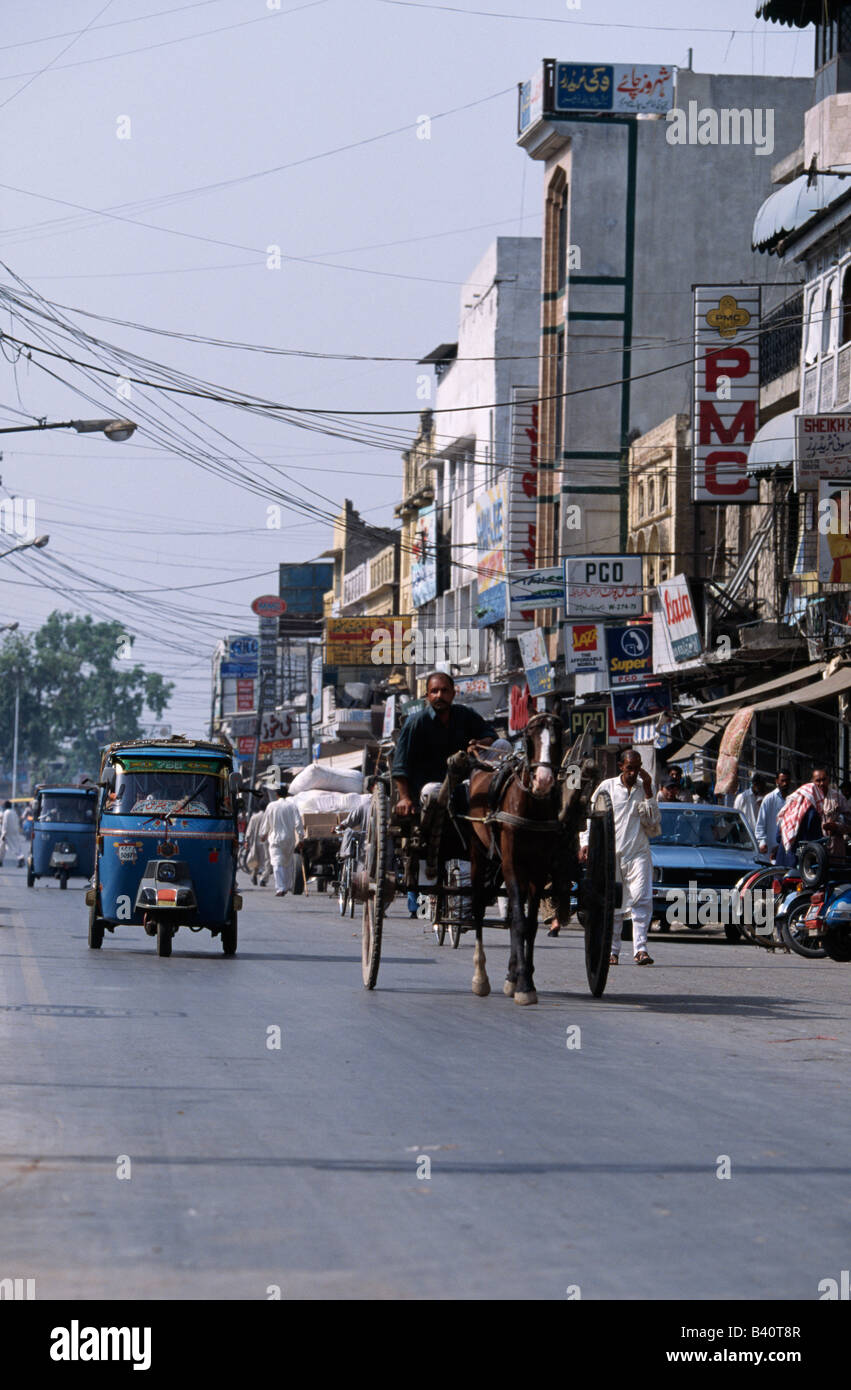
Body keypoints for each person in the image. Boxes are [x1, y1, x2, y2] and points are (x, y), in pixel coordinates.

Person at [580, 749, 661, 965]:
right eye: (629, 768)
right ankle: (612, 951)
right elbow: (591, 818)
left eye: (637, 768)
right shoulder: (607, 788)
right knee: (614, 905)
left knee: (642, 900)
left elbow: (654, 823)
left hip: (638, 853)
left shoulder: (646, 788)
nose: (634, 773)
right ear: (620, 766)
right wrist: (585, 843)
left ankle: (641, 950)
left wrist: (648, 793)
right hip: (611, 854)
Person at [392, 671, 509, 818]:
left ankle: (498, 796)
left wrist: (479, 743)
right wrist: (404, 798)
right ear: (427, 695)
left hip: (466, 783)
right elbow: (399, 766)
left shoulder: (465, 714)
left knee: (503, 744)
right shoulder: (415, 723)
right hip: (432, 788)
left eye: (444, 690)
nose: (439, 696)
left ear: (453, 694)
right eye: (434, 691)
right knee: (431, 791)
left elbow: (491, 735)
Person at [776, 765, 851, 868]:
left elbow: (849, 823)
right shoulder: (806, 800)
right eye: (818, 780)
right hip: (812, 854)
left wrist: (836, 826)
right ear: (812, 781)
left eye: (824, 779)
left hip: (833, 851)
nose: (821, 783)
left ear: (828, 779)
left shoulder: (838, 797)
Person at [260, 787, 305, 897]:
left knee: (277, 863)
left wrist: (263, 834)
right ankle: (286, 886)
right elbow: (298, 823)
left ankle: (280, 888)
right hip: (289, 839)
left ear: (277, 795)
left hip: (275, 839)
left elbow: (266, 822)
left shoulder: (271, 806)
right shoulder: (292, 806)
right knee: (287, 862)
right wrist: (301, 838)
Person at [755, 769, 792, 860]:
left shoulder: (792, 799)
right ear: (777, 781)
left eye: (787, 780)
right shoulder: (769, 799)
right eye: (782, 780)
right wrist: (762, 842)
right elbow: (761, 823)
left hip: (787, 847)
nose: (785, 783)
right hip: (770, 848)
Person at [243, 795, 271, 886]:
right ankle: (263, 878)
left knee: (255, 858)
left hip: (255, 841)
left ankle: (253, 874)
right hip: (266, 841)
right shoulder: (268, 816)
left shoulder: (254, 817)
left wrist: (246, 840)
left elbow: (249, 830)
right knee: (267, 860)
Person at [0, 800, 25, 868]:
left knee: (12, 847)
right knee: (3, 847)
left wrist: (4, 833)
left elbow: (5, 823)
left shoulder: (6, 813)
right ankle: (0, 861)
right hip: (14, 832)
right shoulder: (14, 812)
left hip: (7, 833)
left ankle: (20, 858)